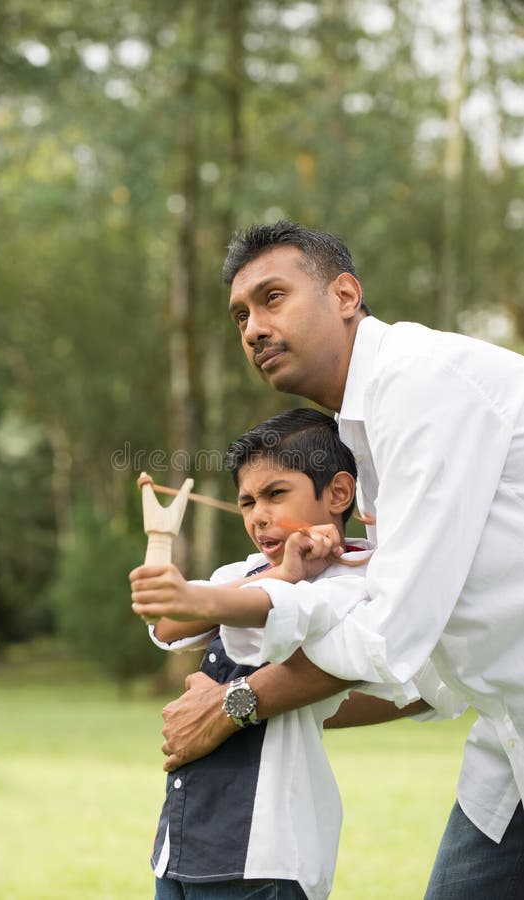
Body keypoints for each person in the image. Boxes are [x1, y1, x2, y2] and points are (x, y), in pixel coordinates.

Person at [157, 220, 524, 899]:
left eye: (272, 297)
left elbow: (388, 633)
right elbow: (426, 666)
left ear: (346, 295)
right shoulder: (361, 431)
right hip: (506, 747)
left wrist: (237, 703)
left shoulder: (420, 386)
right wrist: (262, 711)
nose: (253, 328)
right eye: (240, 314)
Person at [130, 408, 455, 900]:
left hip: (264, 853)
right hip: (185, 840)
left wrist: (277, 578)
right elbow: (171, 624)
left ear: (339, 493)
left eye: (276, 494)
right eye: (246, 502)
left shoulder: (359, 579)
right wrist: (267, 573)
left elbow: (279, 611)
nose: (259, 515)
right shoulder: (252, 570)